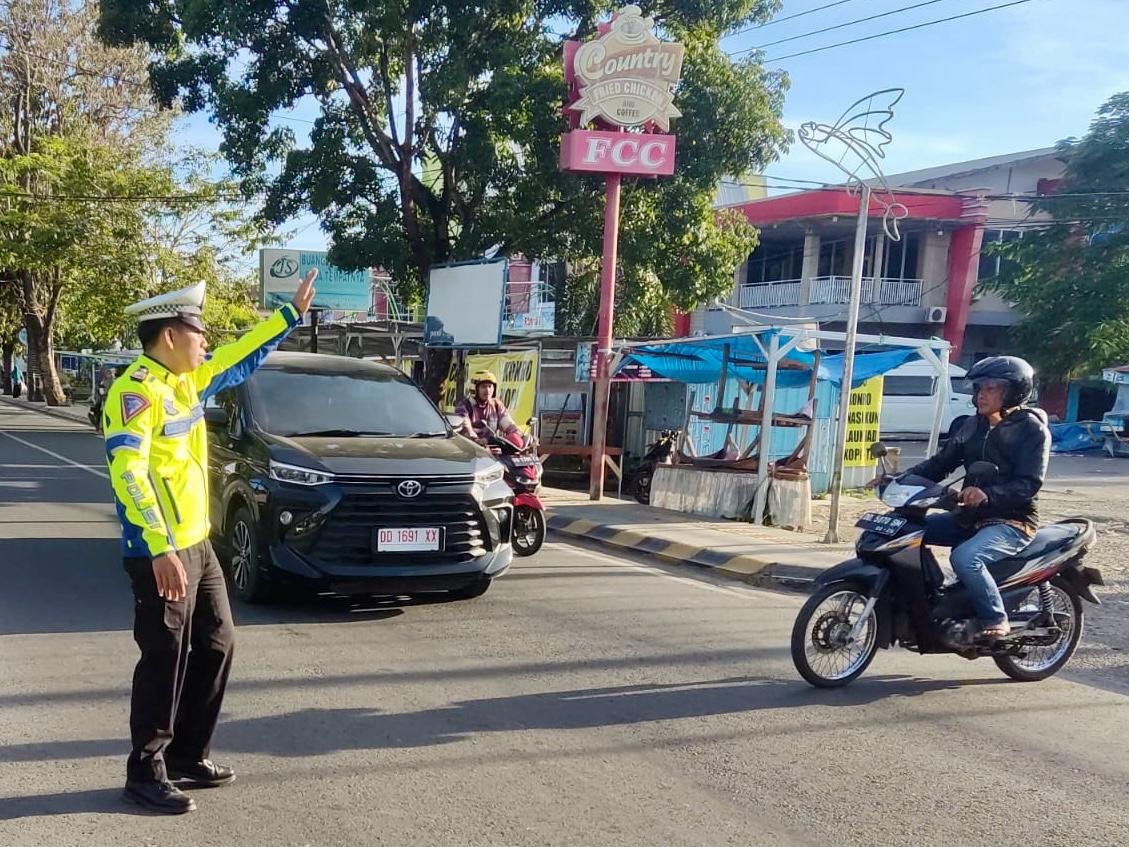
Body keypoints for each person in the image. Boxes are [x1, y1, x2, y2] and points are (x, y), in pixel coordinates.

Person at [103, 270, 317, 814]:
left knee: (218, 641)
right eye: (198, 332)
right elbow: (130, 477)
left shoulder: (186, 382)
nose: (206, 342)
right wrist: (159, 548)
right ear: (170, 335)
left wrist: (288, 316)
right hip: (161, 552)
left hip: (200, 547)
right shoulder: (135, 393)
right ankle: (145, 770)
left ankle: (187, 754)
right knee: (164, 656)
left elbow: (241, 356)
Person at [901, 355, 1050, 640]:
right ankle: (931, 601)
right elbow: (939, 464)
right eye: (979, 387)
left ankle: (994, 617)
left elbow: (1029, 483)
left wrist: (988, 494)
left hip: (1011, 522)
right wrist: (900, 480)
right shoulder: (973, 425)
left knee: (965, 558)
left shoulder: (1031, 430)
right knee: (906, 531)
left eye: (991, 388)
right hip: (969, 517)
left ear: (1013, 391)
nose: (981, 394)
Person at [454, 370, 523, 445]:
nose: (487, 390)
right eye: (483, 387)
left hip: (493, 450)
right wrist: (477, 440)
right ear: (475, 389)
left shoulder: (496, 404)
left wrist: (522, 437)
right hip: (471, 449)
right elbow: (466, 431)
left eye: (490, 386)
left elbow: (509, 426)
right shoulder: (464, 406)